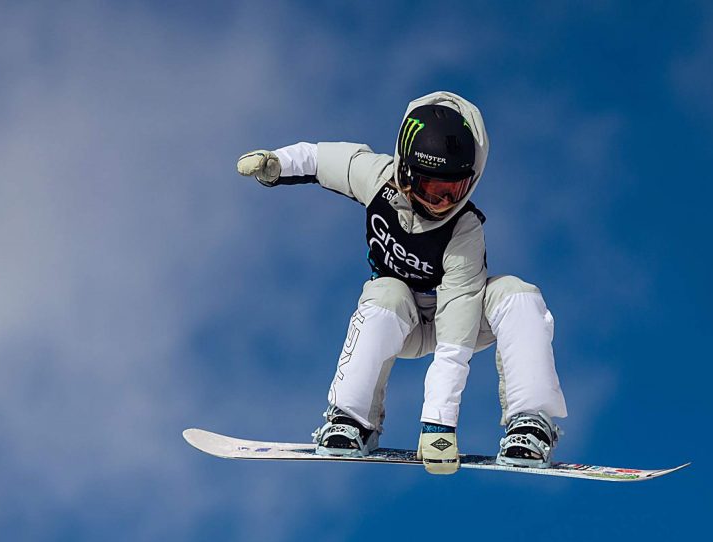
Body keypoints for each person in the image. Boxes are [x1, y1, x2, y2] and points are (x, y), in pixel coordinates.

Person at [236, 92, 567, 475]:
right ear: (405, 171)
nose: (441, 203)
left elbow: (455, 344)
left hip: (459, 321)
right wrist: (276, 164)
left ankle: (530, 424)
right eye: (429, 188)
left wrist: (438, 425)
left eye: (453, 190)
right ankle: (352, 419)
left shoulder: (464, 231)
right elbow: (320, 159)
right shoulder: (377, 178)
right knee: (385, 292)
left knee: (518, 294)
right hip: (402, 320)